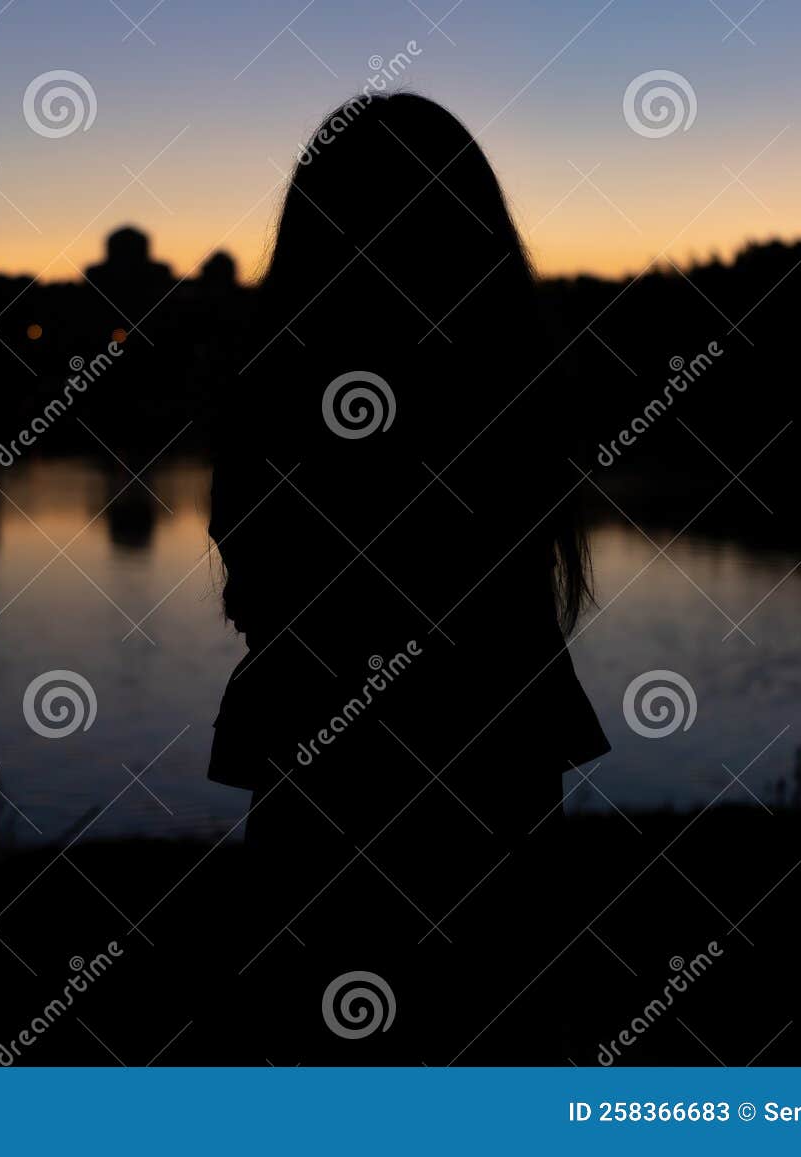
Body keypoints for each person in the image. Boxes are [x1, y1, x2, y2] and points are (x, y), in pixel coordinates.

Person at [207, 93, 609, 1063]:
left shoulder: (275, 394)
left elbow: (257, 585)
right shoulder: (508, 391)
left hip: (324, 784)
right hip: (494, 773)